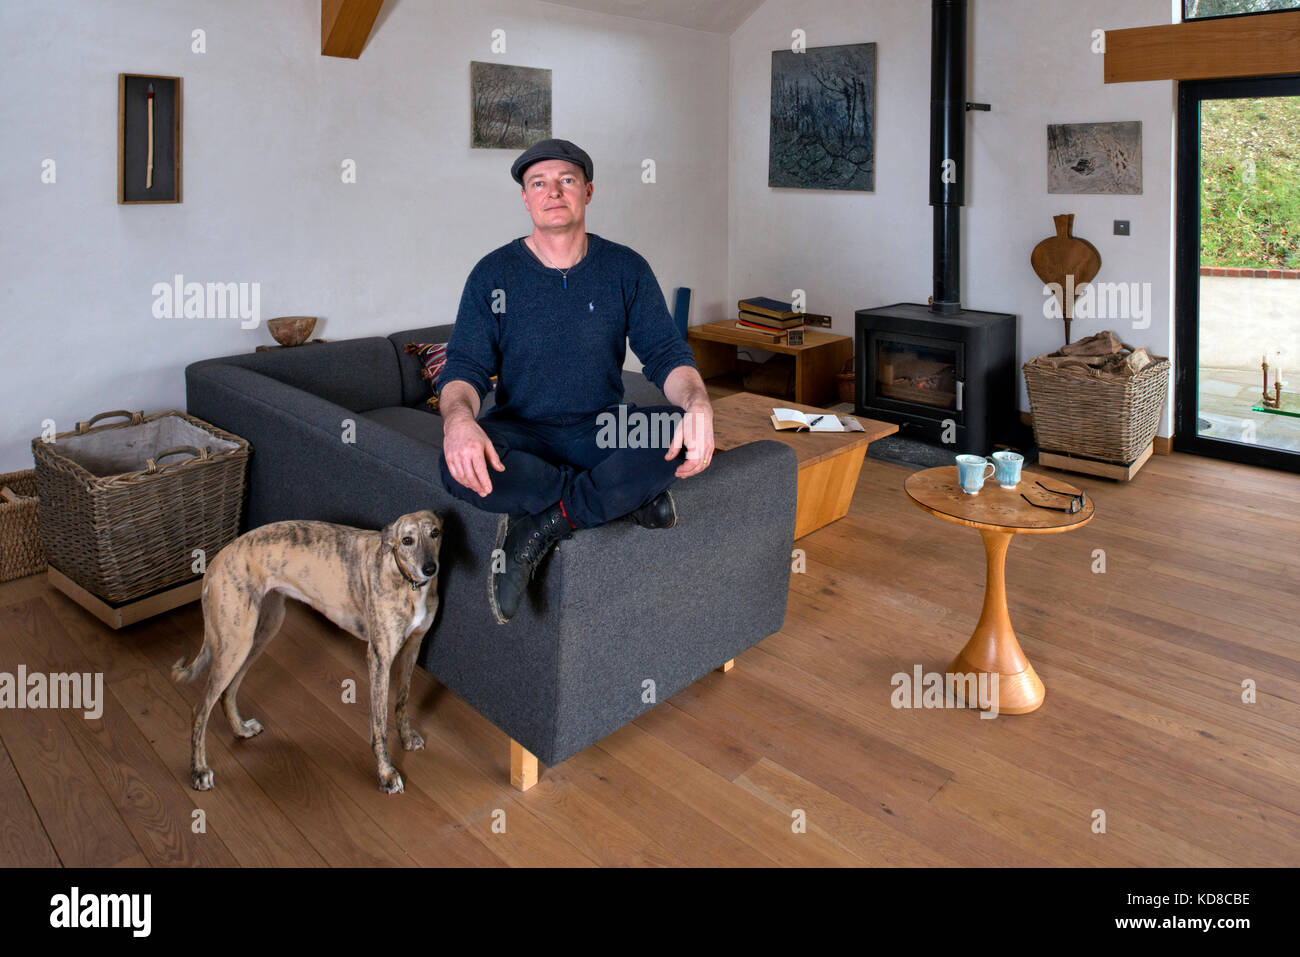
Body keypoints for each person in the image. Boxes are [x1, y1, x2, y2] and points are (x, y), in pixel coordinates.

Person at [437, 138, 715, 624]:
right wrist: (458, 421)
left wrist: (698, 404)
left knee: (682, 433)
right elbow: (464, 369)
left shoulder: (625, 268)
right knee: (454, 463)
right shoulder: (492, 274)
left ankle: (543, 523)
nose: (553, 192)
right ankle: (615, 499)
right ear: (525, 198)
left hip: (604, 428)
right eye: (538, 183)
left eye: (566, 180)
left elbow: (666, 354)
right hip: (522, 431)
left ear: (588, 191)